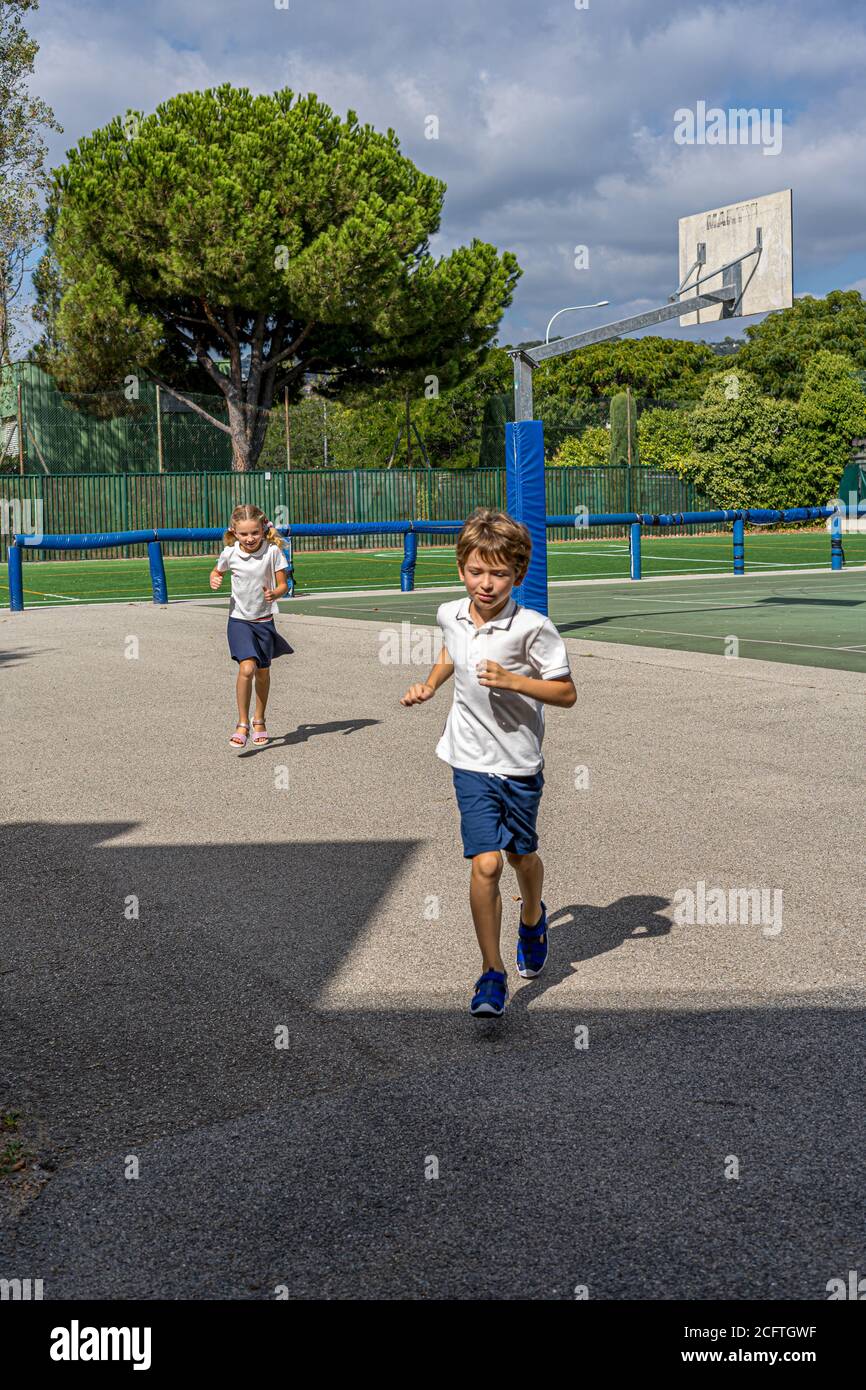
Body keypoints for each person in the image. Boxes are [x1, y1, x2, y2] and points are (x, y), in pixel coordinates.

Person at [400, 508, 576, 1018]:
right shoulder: (448, 613)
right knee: (486, 861)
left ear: (517, 575)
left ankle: (533, 917)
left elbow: (565, 693)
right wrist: (430, 685)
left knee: (521, 857)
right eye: (477, 571)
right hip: (468, 759)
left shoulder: (534, 628)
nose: (486, 583)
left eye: (499, 573)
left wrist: (515, 681)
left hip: (520, 764)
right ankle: (491, 973)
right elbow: (452, 653)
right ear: (461, 569)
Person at [210, 504, 294, 747]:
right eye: (244, 534)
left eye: (254, 533)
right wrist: (215, 577)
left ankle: (260, 720)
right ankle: (242, 723)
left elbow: (283, 585)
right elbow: (217, 571)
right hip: (239, 620)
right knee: (247, 668)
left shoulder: (273, 552)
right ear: (234, 532)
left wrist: (275, 594)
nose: (249, 538)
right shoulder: (230, 553)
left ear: (262, 529)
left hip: (264, 621)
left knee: (263, 672)